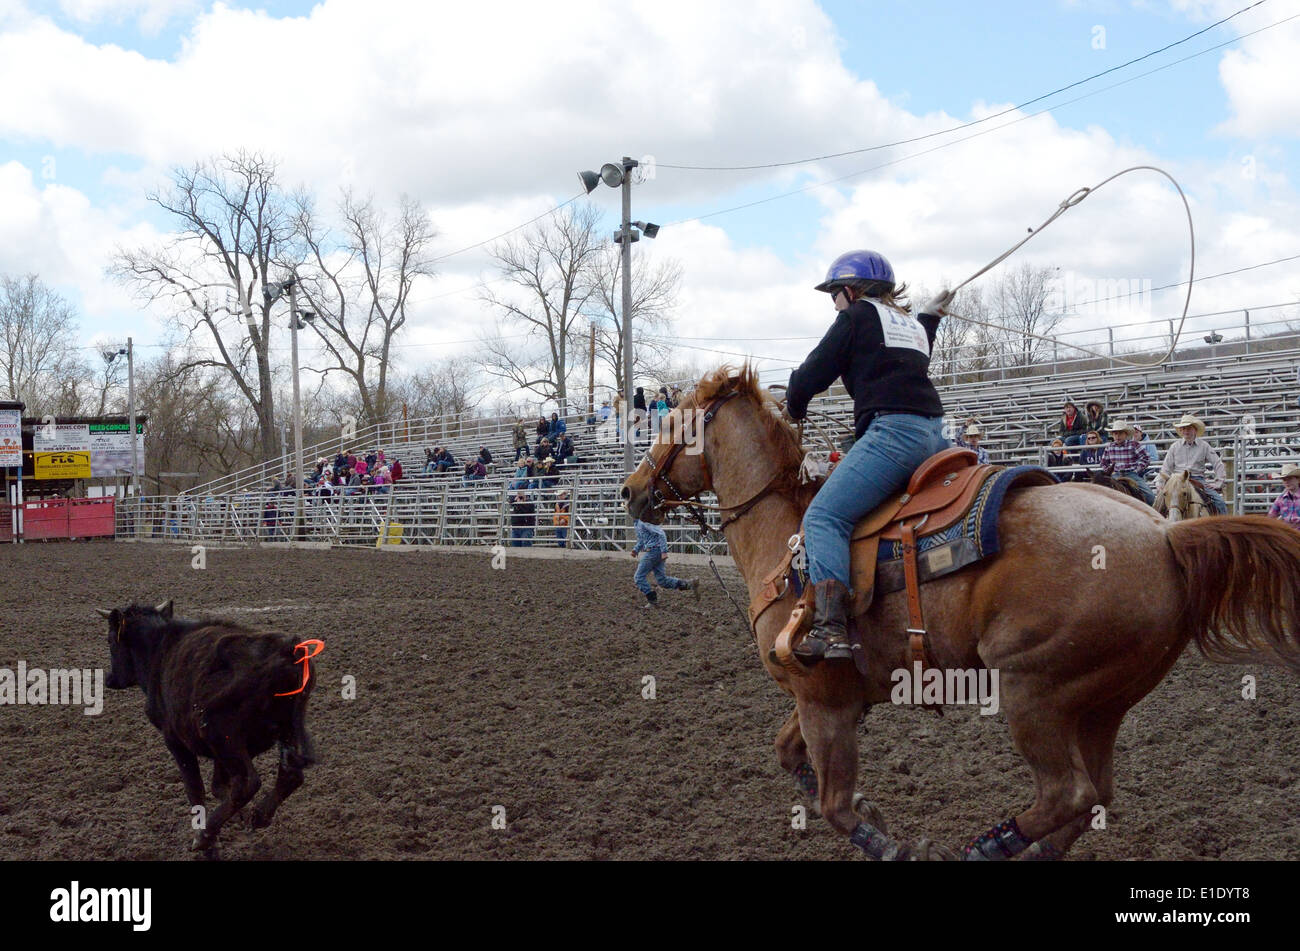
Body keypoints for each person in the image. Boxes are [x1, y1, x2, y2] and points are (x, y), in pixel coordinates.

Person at [784, 249, 953, 663]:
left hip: (894, 435)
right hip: (937, 436)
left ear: (848, 290)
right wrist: (930, 318)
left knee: (824, 517)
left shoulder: (855, 316)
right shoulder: (910, 325)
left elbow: (814, 371)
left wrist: (795, 402)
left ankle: (831, 631)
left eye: (833, 295)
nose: (833, 304)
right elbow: (912, 359)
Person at [1156, 414, 1227, 514]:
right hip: (1177, 481)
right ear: (1180, 431)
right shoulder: (1174, 447)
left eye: (1189, 428)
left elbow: (1217, 463)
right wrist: (1160, 483)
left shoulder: (1204, 446)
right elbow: (1166, 467)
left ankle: (1222, 527)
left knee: (1220, 503)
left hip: (1198, 480)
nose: (1186, 431)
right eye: (1183, 428)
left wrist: (1218, 482)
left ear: (1195, 430)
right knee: (1158, 504)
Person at [631, 518, 697, 608]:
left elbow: (661, 533)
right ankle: (687, 584)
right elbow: (643, 539)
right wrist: (636, 549)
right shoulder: (639, 522)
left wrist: (664, 551)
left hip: (653, 551)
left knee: (638, 577)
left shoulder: (643, 521)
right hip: (656, 551)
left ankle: (652, 600)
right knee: (662, 580)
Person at [1097, 420, 1155, 503]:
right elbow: (1103, 463)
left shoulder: (1133, 444)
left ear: (1126, 434)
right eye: (1115, 433)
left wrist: (1137, 470)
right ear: (1112, 435)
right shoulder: (1109, 447)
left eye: (1120, 433)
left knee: (1150, 496)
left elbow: (1146, 458)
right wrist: (1109, 472)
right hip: (1115, 475)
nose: (1117, 436)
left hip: (1131, 474)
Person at [1267, 464, 1300, 529]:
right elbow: (1270, 517)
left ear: (1298, 480)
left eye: (1290, 478)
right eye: (1284, 479)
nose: (1287, 482)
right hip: (1287, 533)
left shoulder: (1281, 498)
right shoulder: (1281, 498)